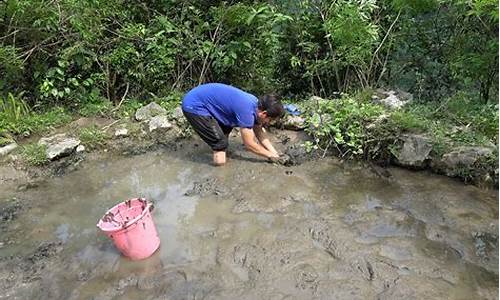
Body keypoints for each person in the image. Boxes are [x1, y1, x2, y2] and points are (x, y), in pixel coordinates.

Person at [181, 83, 285, 166]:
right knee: (221, 143)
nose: (269, 123)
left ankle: (218, 151)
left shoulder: (256, 106)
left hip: (211, 105)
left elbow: (259, 132)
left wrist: (274, 153)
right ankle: (219, 170)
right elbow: (249, 144)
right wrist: (270, 156)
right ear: (264, 113)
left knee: (226, 129)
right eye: (270, 120)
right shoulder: (247, 111)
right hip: (194, 105)